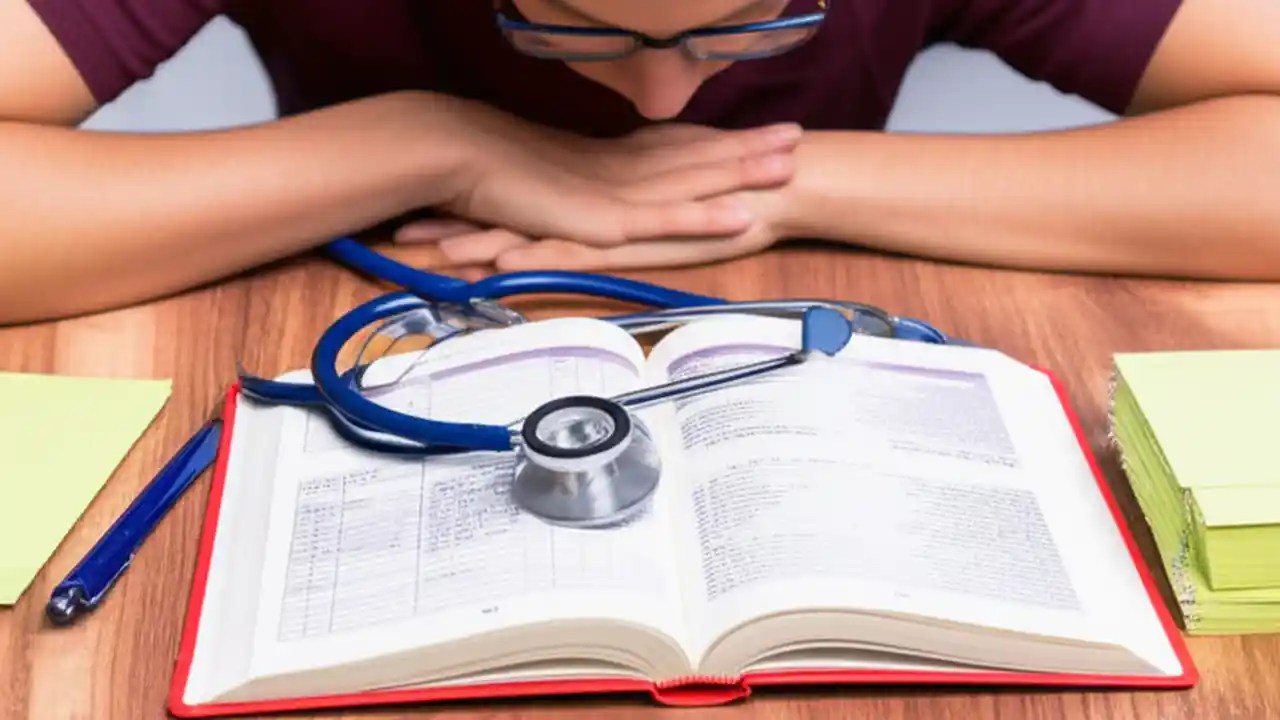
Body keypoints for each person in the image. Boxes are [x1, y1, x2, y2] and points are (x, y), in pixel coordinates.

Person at [2, 0, 1278, 325]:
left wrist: (784, 181)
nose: (663, 96)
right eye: (568, 28)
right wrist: (430, 137)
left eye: (752, 25)